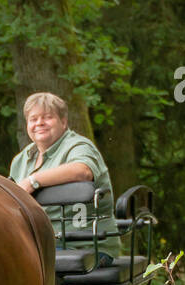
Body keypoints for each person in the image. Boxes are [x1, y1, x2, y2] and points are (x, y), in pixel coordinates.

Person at [9, 91, 118, 255]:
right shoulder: (21, 160)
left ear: (63, 122)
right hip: (39, 245)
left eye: (47, 117)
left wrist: (32, 181)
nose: (40, 123)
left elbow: (83, 171)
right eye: (33, 119)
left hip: (87, 246)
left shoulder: (78, 145)